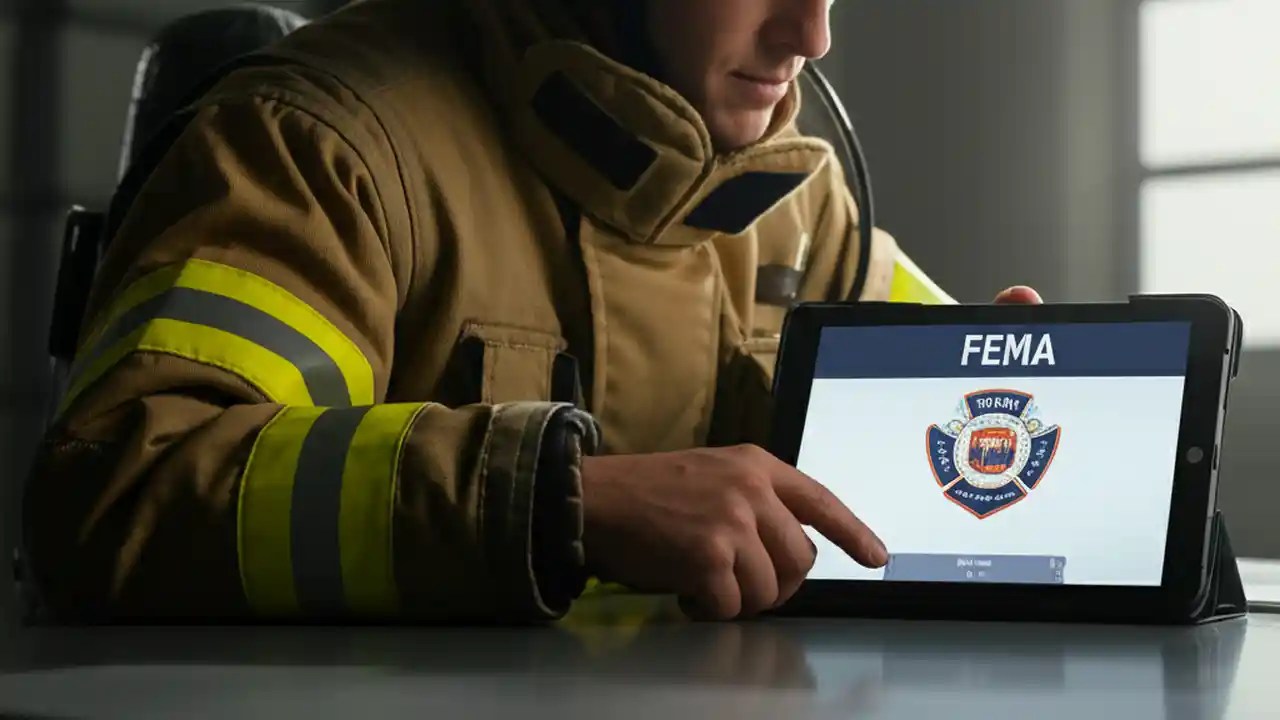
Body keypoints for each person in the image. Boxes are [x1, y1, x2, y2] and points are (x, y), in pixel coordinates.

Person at [23, 0, 1041, 624]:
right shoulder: (317, 147)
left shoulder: (796, 194)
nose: (808, 33)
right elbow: (123, 485)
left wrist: (967, 385)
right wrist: (566, 503)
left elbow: (931, 449)